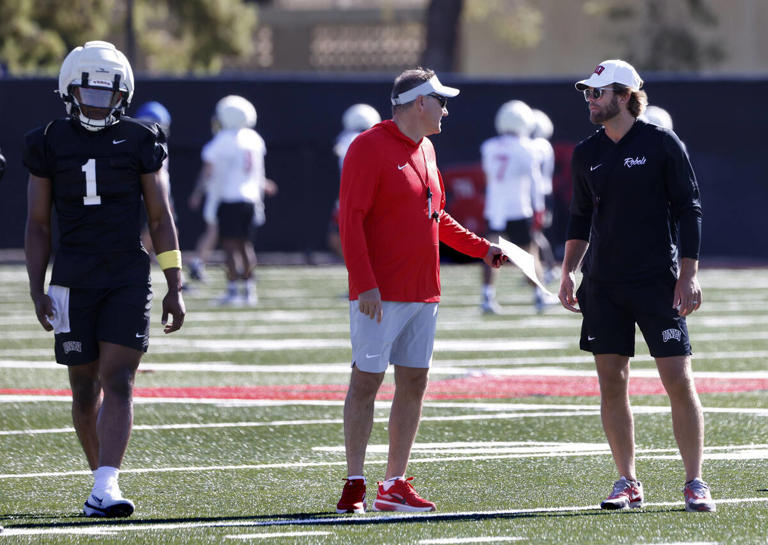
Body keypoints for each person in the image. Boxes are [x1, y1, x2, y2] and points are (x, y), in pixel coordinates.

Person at [23, 40, 185, 518]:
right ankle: (101, 483)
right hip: (72, 276)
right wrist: (36, 286)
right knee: (82, 387)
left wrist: (174, 283)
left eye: (106, 96)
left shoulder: (141, 138)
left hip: (125, 275)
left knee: (119, 379)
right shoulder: (48, 140)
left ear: (123, 95)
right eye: (89, 95)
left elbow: (160, 218)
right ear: (69, 92)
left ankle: (107, 482)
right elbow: (37, 223)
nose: (97, 105)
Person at [336, 67, 505, 514]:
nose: (446, 110)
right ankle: (354, 482)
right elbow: (350, 220)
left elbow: (439, 217)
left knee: (414, 381)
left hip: (423, 292)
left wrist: (482, 250)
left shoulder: (427, 149)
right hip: (380, 294)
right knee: (366, 381)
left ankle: (393, 485)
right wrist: (365, 284)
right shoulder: (367, 147)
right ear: (419, 104)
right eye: (441, 102)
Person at [559, 59, 715, 512]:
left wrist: (688, 274)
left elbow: (690, 210)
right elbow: (579, 216)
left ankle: (694, 481)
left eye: (599, 92)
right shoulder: (587, 152)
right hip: (603, 283)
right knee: (611, 381)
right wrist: (569, 270)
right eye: (588, 92)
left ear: (625, 96)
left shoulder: (663, 144)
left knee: (678, 379)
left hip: (655, 283)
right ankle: (627, 481)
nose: (591, 99)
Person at [197, 95, 276, 305]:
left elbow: (208, 168)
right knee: (246, 246)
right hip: (250, 199)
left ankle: (233, 290)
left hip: (230, 199)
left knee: (230, 247)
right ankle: (249, 291)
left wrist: (199, 192)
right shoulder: (254, 139)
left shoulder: (223, 140)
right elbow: (258, 173)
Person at [479, 100, 547, 314]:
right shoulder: (528, 148)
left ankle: (487, 296)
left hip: (496, 208)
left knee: (491, 252)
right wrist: (540, 209)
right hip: (519, 207)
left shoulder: (488, 147)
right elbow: (536, 182)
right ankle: (539, 294)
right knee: (529, 253)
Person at [328, 104, 382, 260]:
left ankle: (358, 266)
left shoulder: (346, 139)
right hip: (373, 194)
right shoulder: (377, 138)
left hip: (351, 195)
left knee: (337, 235)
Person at [528, 108, 559, 282]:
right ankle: (544, 267)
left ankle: (549, 267)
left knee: (536, 234)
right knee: (536, 234)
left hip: (539, 195)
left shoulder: (538, 145)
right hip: (542, 194)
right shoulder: (543, 144)